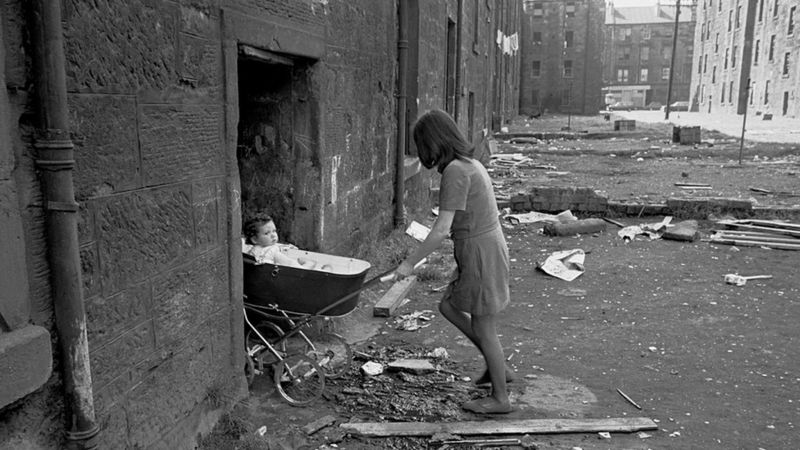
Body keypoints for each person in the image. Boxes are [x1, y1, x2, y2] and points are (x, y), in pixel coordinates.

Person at [391, 109, 514, 414]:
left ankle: (501, 398)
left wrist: (409, 263)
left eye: (421, 144)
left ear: (433, 142)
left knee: (485, 328)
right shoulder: (468, 164)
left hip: (481, 253)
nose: (421, 153)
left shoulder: (456, 172)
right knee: (448, 305)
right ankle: (496, 364)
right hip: (482, 248)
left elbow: (441, 229)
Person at [242, 213, 327, 270]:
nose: (273, 235)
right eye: (267, 233)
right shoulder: (272, 251)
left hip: (264, 273)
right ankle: (313, 266)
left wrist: (283, 247)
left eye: (274, 231)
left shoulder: (252, 250)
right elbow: (290, 264)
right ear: (254, 239)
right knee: (303, 263)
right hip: (282, 275)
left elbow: (267, 247)